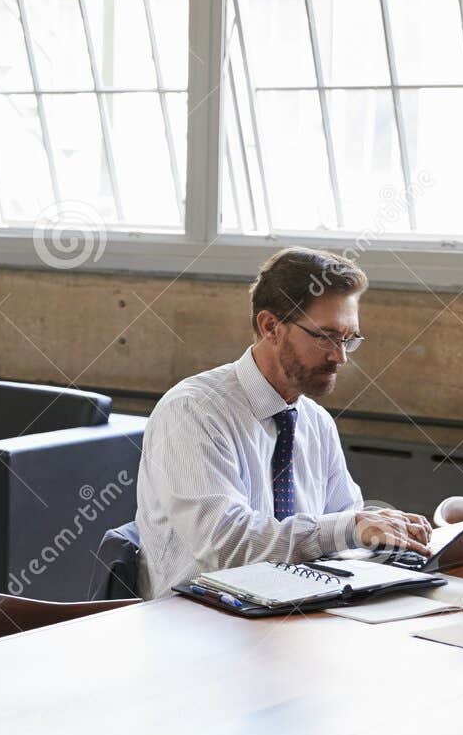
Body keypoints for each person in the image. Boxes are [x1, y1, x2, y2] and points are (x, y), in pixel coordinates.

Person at [134, 247, 432, 598]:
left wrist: (392, 542)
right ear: (271, 327)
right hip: (197, 626)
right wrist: (349, 527)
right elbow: (227, 547)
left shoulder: (315, 422)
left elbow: (343, 523)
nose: (340, 356)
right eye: (325, 336)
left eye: (349, 339)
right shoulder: (192, 412)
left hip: (294, 613)